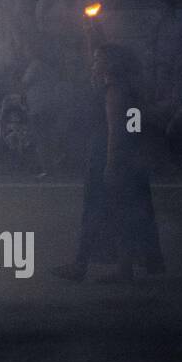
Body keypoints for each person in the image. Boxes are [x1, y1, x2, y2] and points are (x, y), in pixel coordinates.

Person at [52, 24, 165, 283]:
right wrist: (92, 34)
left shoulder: (115, 91)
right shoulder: (120, 86)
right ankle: (112, 267)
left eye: (97, 60)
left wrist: (112, 164)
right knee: (121, 212)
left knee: (102, 212)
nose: (92, 64)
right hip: (123, 156)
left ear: (110, 64)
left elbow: (116, 129)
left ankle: (87, 265)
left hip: (112, 157)